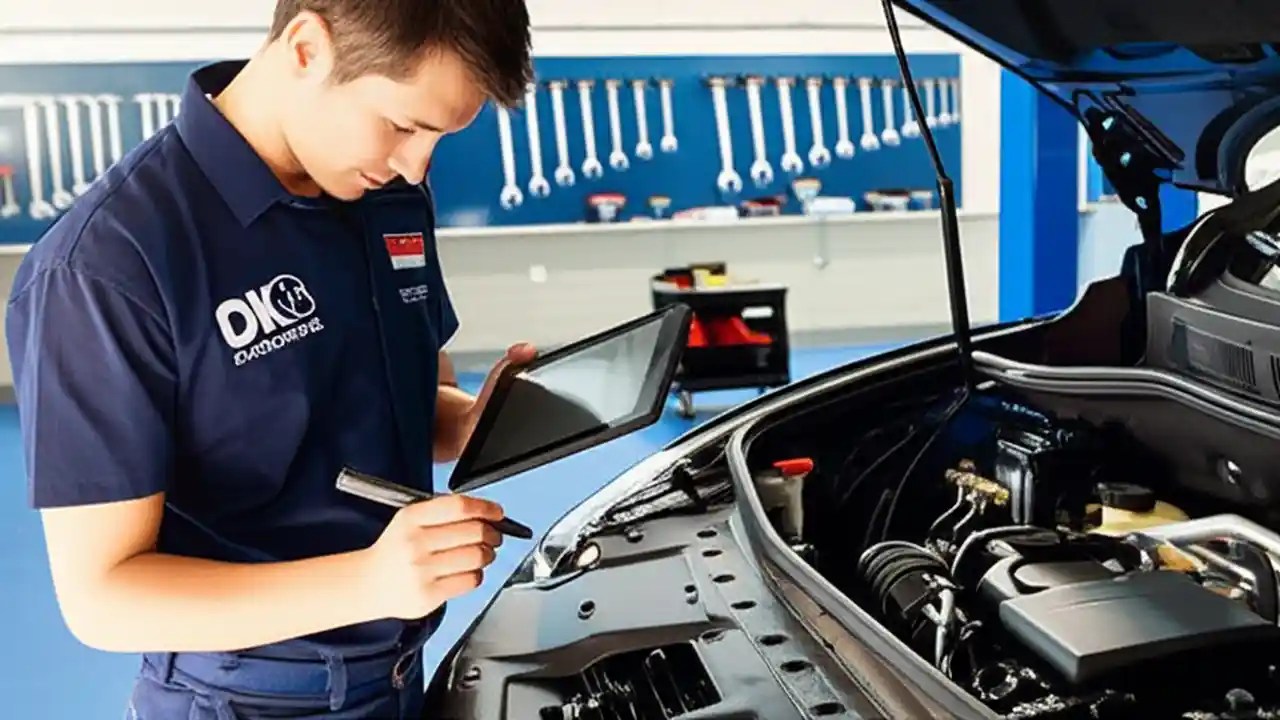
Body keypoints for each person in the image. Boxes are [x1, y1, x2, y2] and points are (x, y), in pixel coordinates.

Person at [4, 1, 535, 717]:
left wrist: (469, 422)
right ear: (309, 48)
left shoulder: (388, 193)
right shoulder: (107, 265)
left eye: (439, 137)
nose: (416, 163)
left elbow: (404, 395)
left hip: (406, 675)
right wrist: (370, 583)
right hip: (244, 700)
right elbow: (105, 597)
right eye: (405, 125)